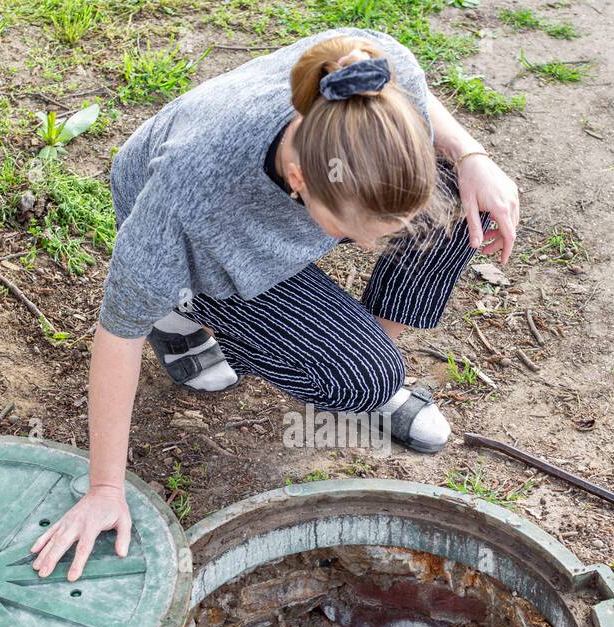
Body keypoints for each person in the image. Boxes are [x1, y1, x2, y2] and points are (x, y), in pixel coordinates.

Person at [32, 27, 520, 581]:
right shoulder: (189, 207)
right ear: (297, 180)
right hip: (203, 234)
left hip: (283, 197)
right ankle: (181, 311)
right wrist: (104, 489)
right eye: (352, 229)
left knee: (459, 204)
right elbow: (117, 334)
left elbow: (420, 103)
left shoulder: (373, 77)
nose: (367, 247)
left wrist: (472, 155)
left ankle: (363, 360)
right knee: (363, 374)